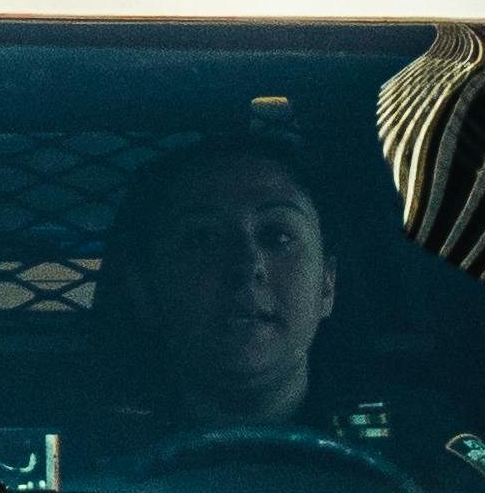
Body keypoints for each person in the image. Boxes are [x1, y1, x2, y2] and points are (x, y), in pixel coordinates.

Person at [97, 140, 341, 430]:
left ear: (327, 284)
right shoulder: (82, 454)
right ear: (145, 289)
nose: (248, 264)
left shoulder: (406, 440)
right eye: (203, 238)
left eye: (278, 236)